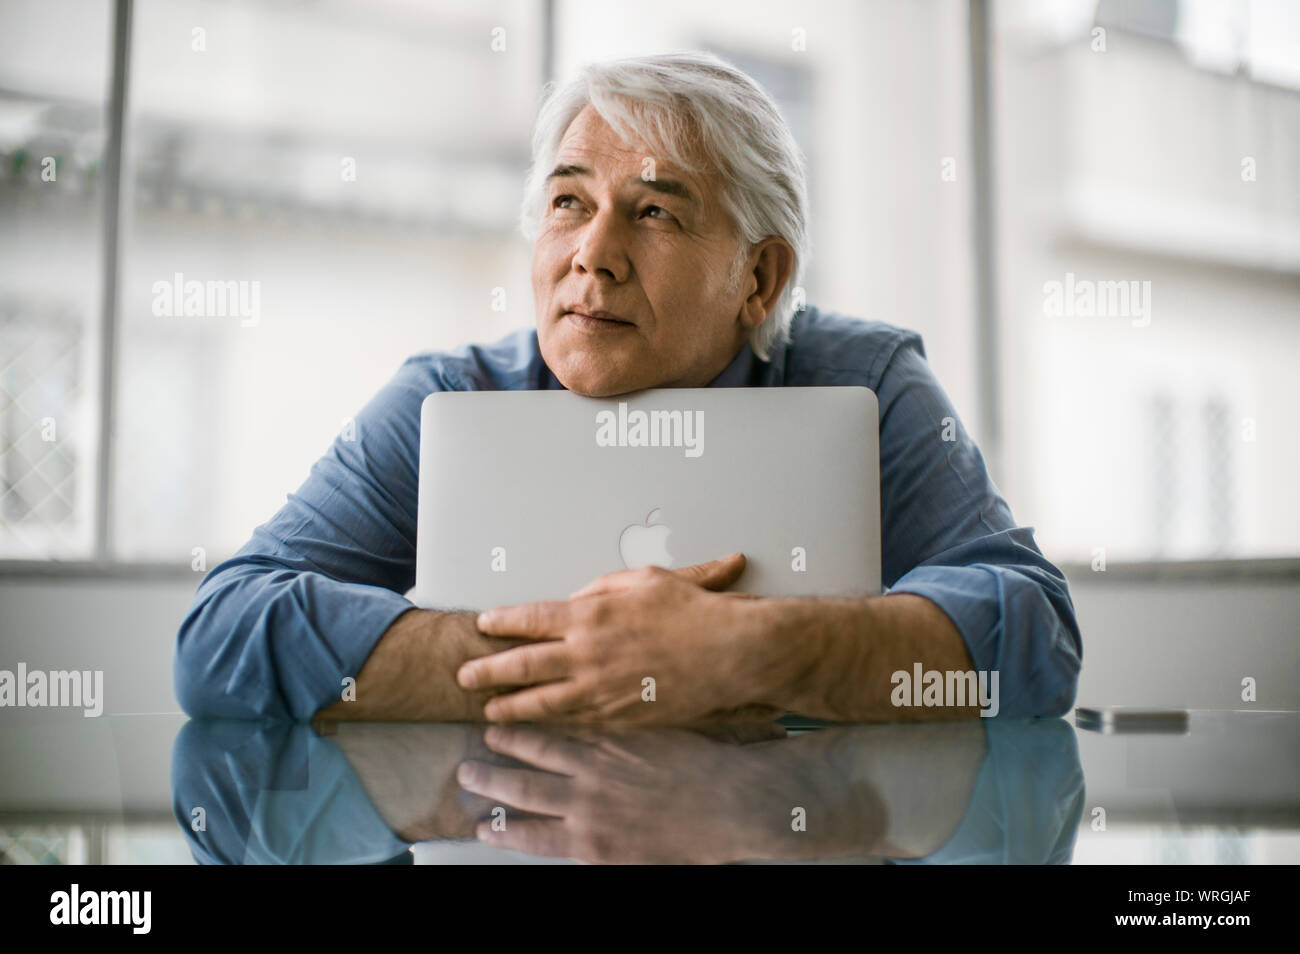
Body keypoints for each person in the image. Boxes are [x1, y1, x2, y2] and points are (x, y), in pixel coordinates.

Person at [174, 51, 1081, 724]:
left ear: (760, 279)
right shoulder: (448, 398)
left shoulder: (869, 383)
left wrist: (761, 654)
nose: (592, 254)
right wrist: (585, 663)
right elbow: (220, 639)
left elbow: (1037, 639)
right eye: (569, 202)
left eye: (653, 212)